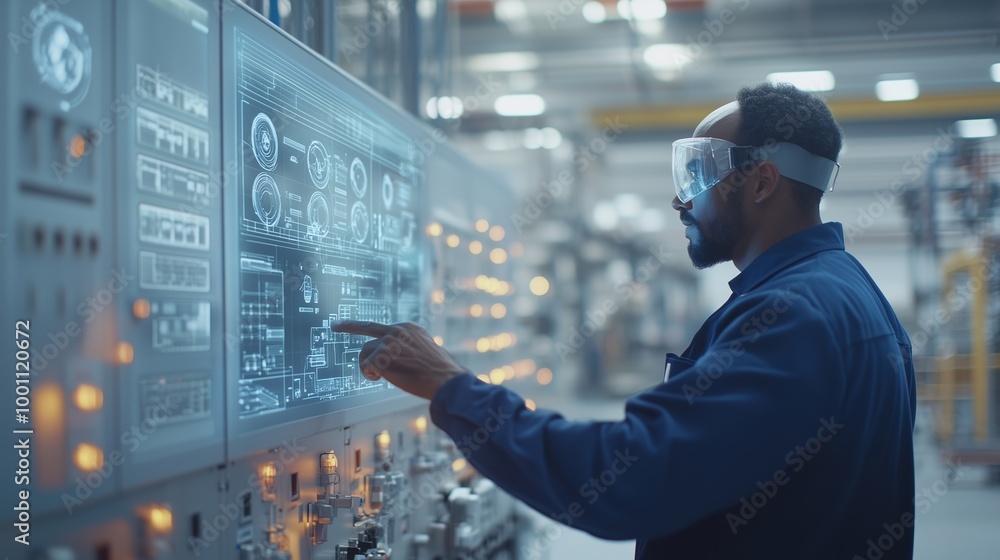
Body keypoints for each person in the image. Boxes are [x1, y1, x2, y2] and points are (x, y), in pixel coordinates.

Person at [335, 82, 915, 559]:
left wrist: (452, 389)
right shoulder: (855, 296)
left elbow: (625, 478)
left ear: (762, 181)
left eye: (700, 174)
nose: (680, 201)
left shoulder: (790, 315)